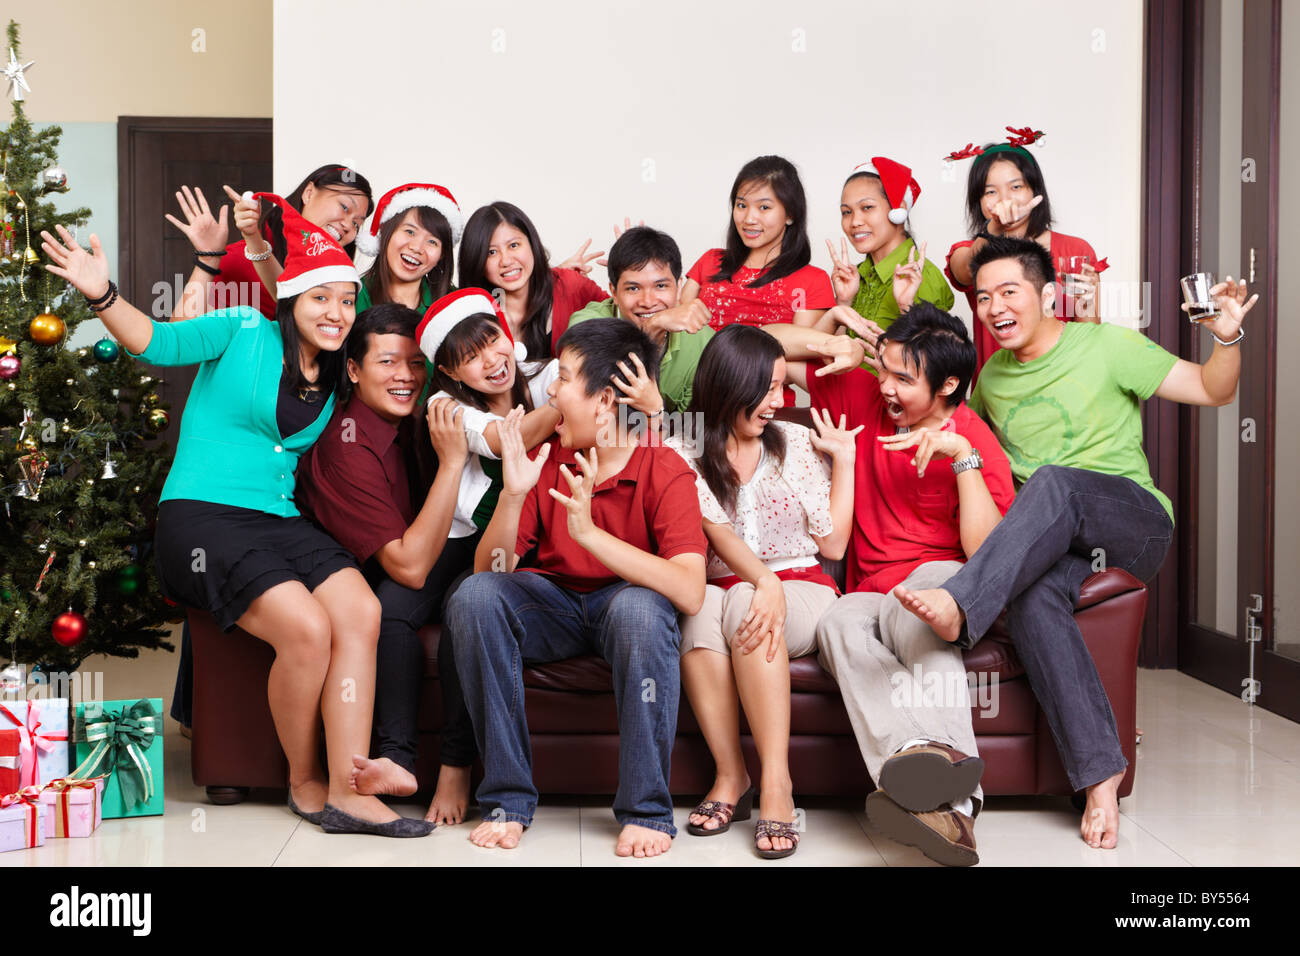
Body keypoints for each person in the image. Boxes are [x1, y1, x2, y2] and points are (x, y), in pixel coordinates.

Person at [40, 196, 431, 838]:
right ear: (292, 301)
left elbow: (397, 365)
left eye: (343, 301)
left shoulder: (338, 376)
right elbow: (157, 343)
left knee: (361, 611)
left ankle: (351, 787)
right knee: (306, 629)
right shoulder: (243, 328)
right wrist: (102, 294)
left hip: (277, 521)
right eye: (318, 299)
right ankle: (307, 786)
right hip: (201, 518)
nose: (334, 312)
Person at [893, 236, 1256, 851]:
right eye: (982, 297)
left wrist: (1225, 337)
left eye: (1010, 291)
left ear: (1046, 294)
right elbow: (955, 423)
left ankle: (965, 604)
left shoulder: (1108, 345)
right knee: (1034, 602)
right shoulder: (993, 378)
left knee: (1058, 482)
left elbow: (1214, 391)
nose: (994, 307)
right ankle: (1100, 777)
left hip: (1130, 522)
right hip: (1054, 538)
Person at [443, 318, 707, 858]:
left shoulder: (665, 468)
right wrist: (514, 495)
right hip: (555, 606)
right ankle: (508, 801)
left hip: (627, 609)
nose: (552, 392)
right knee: (471, 598)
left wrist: (590, 535)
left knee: (638, 609)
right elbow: (487, 571)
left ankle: (646, 810)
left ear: (605, 399)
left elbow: (689, 591)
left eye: (563, 379)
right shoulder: (552, 459)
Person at [801, 303, 1016, 866]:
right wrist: (833, 334)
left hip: (941, 577)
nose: (886, 388)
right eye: (884, 370)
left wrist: (962, 459)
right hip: (868, 588)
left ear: (948, 385)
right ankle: (934, 784)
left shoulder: (974, 437)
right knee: (836, 622)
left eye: (903, 378)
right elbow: (767, 354)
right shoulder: (864, 400)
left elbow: (984, 552)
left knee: (921, 615)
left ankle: (955, 802)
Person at [161, 165, 373, 732]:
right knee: (242, 580)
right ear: (306, 198)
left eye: (360, 213)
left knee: (343, 605)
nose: (349, 218)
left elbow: (313, 299)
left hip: (285, 485)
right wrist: (219, 255)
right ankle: (199, 718)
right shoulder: (250, 270)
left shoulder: (351, 289)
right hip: (221, 470)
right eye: (340, 204)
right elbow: (187, 334)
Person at [665, 325, 858, 859]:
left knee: (744, 604)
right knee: (698, 611)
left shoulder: (793, 443)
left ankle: (777, 784)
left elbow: (834, 545)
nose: (781, 400)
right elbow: (707, 531)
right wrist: (758, 580)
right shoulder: (682, 447)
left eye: (781, 386)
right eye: (769, 388)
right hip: (724, 591)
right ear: (730, 384)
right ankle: (732, 776)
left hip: (800, 586)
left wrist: (845, 462)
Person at [294, 302, 478, 826]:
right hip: (385, 571)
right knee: (394, 606)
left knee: (470, 606)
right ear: (352, 370)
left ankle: (438, 762)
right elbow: (410, 568)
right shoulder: (348, 445)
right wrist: (452, 462)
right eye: (388, 363)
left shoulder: (418, 419)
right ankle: (396, 759)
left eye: (415, 363)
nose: (405, 376)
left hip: (449, 555)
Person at [942, 130, 1103, 374]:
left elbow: (1090, 339)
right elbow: (965, 269)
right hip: (998, 395)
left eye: (1016, 187)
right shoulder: (969, 252)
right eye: (990, 192)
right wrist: (996, 225)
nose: (1005, 200)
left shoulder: (1075, 251)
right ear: (979, 202)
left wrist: (1088, 305)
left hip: (1063, 387)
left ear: (1034, 191)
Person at [165, 164, 373, 320]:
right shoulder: (239, 259)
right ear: (309, 193)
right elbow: (180, 337)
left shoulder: (344, 280)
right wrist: (207, 258)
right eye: (345, 207)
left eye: (357, 223)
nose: (348, 225)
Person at [568, 225, 714, 415]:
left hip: (665, 442)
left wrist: (655, 412)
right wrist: (652, 328)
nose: (648, 302)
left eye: (661, 286)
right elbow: (590, 413)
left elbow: (693, 433)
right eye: (633, 289)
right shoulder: (587, 324)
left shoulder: (703, 344)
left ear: (679, 286)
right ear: (613, 291)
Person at [820, 156, 954, 357]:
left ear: (899, 210)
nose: (855, 221)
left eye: (867, 207)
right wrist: (844, 303)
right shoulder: (856, 276)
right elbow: (830, 356)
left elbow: (933, 366)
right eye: (846, 212)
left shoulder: (921, 276)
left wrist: (907, 307)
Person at [457, 201, 609, 359]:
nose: (506, 261)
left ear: (532, 243)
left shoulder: (570, 285)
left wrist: (626, 270)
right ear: (476, 261)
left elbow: (625, 313)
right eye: (492, 252)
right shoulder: (470, 314)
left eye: (514, 245)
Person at [353, 182, 463, 312]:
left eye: (432, 242)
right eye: (410, 232)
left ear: (442, 254)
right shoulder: (351, 296)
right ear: (386, 233)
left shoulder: (455, 304)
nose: (416, 248)